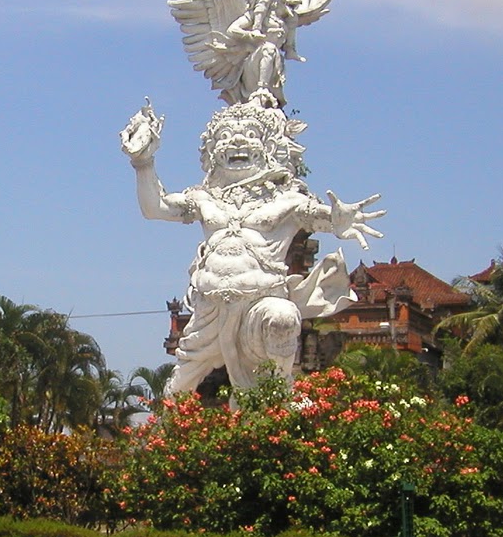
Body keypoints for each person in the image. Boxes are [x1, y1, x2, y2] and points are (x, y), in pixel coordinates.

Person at [121, 94, 383, 396]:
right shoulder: (204, 198)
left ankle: (278, 402)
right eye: (224, 137)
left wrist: (339, 219)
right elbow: (155, 208)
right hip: (211, 310)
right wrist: (143, 162)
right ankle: (165, 436)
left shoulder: (287, 200)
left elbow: (321, 218)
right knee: (176, 394)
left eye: (249, 136)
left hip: (262, 303)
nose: (236, 143)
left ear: (270, 147)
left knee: (283, 317)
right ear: (211, 150)